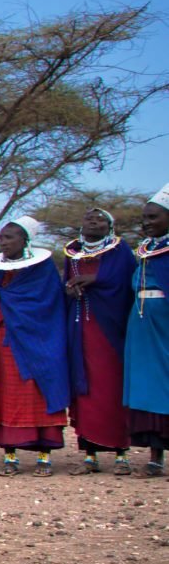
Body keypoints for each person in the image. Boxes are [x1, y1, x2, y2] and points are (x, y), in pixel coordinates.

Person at [0, 217, 71, 477]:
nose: (3, 242)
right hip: (2, 341)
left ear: (25, 240)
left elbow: (49, 305)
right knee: (6, 393)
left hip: (38, 342)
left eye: (9, 237)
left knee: (38, 392)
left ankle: (44, 455)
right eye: (2, 237)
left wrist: (12, 306)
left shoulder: (43, 269)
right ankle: (10, 455)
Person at [62, 208, 137, 474]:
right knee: (84, 388)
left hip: (109, 327)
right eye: (88, 218)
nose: (93, 221)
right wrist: (70, 289)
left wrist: (95, 279)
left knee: (112, 387)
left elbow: (125, 281)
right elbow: (65, 284)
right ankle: (90, 454)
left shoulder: (121, 251)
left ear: (110, 226)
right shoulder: (71, 253)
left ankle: (121, 454)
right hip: (79, 327)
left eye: (100, 219)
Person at [126, 185, 169, 477]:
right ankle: (155, 455)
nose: (147, 222)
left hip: (165, 322)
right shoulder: (146, 250)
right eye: (144, 218)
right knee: (147, 385)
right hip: (141, 323)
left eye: (153, 217)